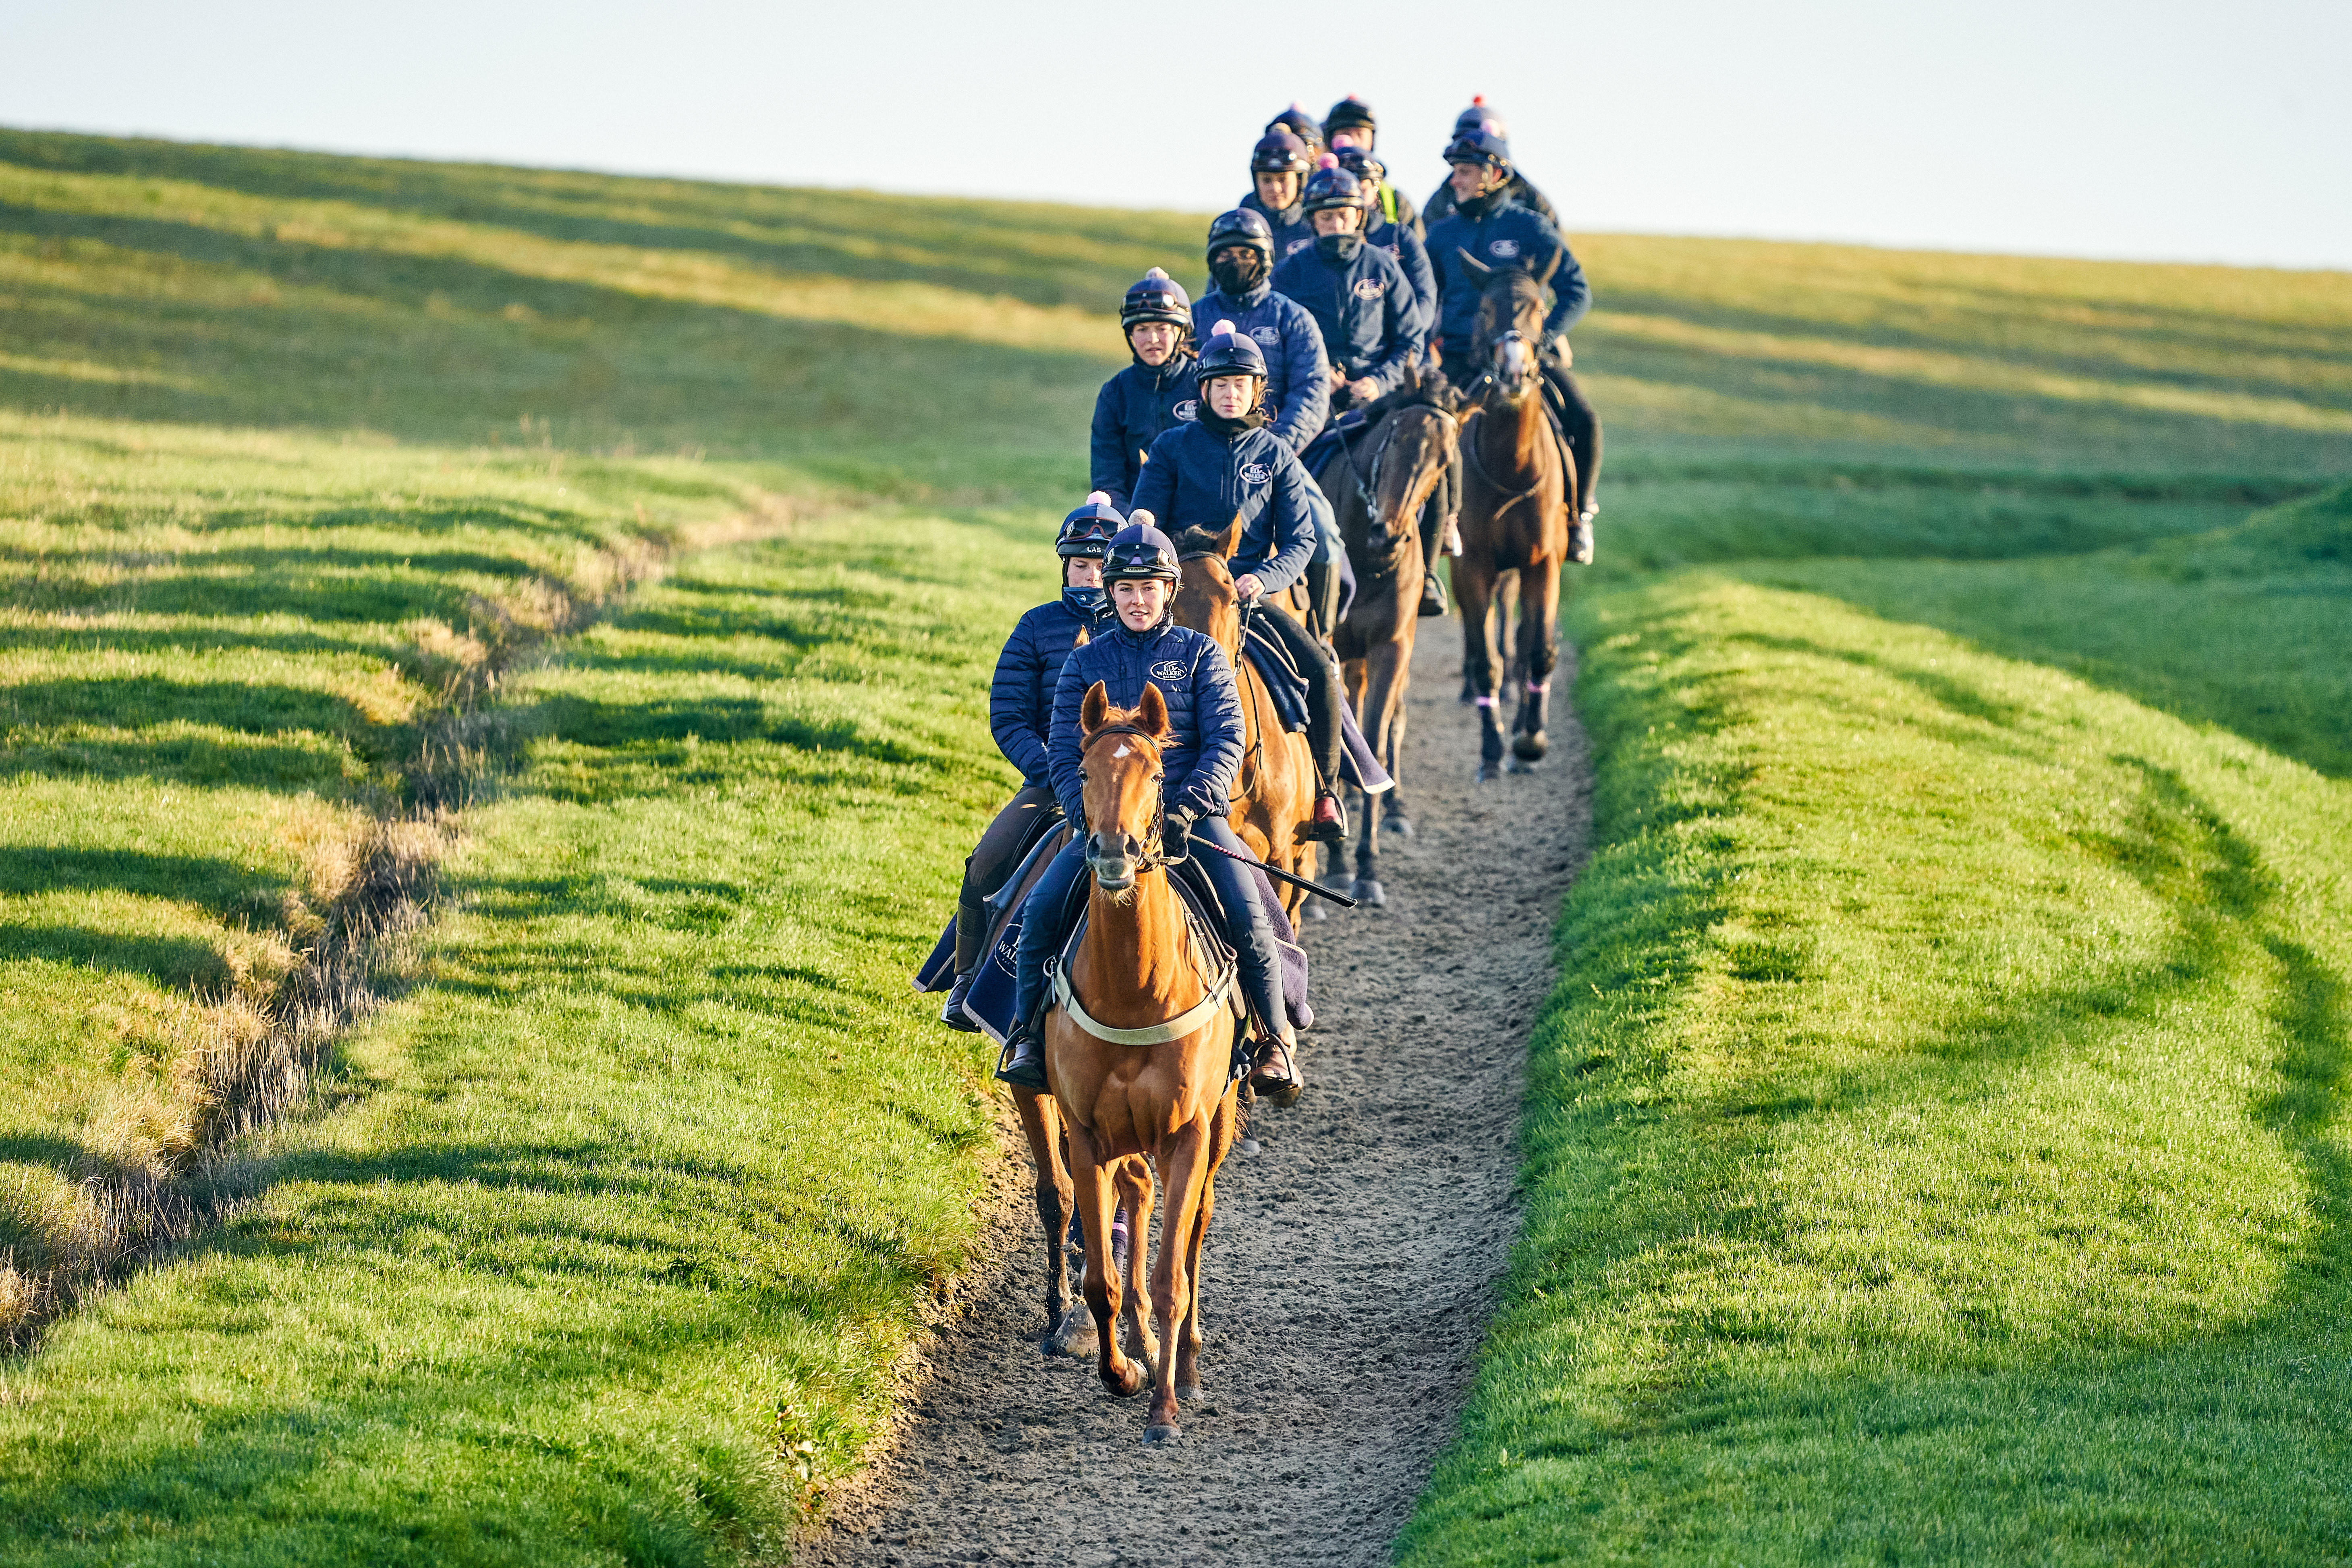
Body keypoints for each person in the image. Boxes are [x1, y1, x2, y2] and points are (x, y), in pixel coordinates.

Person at [993, 522, 1302, 1100]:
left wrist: (1187, 808)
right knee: (1039, 912)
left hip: (1191, 820)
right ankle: (1027, 1038)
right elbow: (1063, 751)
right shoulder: (1084, 663)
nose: (1138, 601)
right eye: (1127, 589)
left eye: (1149, 589)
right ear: (1111, 592)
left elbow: (1226, 740)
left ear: (1169, 591)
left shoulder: (1201, 655)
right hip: (1109, 823)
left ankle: (1273, 1040)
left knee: (1249, 911)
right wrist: (1085, 815)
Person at [1132, 322, 1349, 844]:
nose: (1231, 394)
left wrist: (1261, 579)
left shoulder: (1276, 454)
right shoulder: (1170, 448)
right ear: (1204, 390)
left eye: (1241, 385)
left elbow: (1301, 540)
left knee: (1322, 669)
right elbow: (1146, 521)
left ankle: (1324, 792)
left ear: (1257, 391)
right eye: (1221, 385)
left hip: (1247, 596)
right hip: (1175, 596)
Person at [942, 496, 1120, 1028]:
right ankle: (967, 978)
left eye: (1101, 566)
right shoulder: (1036, 626)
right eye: (1080, 565)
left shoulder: (1135, 630)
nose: (1091, 577)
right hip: (1050, 780)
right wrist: (1051, 770)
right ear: (1065, 566)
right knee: (986, 862)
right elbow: (1008, 715)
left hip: (1124, 785)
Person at [1426, 126, 1603, 541]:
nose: (1455, 181)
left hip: (1527, 360)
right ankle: (1432, 530)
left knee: (1585, 420)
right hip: (1460, 360)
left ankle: (1579, 517)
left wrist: (1541, 340)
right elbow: (1421, 299)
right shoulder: (1441, 235)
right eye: (1455, 171)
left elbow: (1577, 293)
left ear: (1496, 175)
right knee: (1419, 429)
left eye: (1466, 172)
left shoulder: (1533, 229)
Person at [1273, 159, 1423, 415]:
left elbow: (1410, 339)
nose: (1336, 226)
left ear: (1359, 216)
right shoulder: (1289, 273)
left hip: (1378, 397)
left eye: (1344, 216)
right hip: (1311, 394)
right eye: (1326, 217)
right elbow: (1276, 342)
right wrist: (1315, 371)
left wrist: (1380, 381)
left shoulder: (1383, 265)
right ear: (1312, 220)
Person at [1192, 207, 1330, 456]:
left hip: (1279, 453)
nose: (1236, 262)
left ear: (1264, 259)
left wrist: (1274, 448)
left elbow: (1311, 389)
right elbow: (1180, 390)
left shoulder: (1292, 318)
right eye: (1226, 254)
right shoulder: (1195, 318)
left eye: (1246, 254)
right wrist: (1197, 449)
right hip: (1203, 454)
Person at [1089, 268, 1200, 512]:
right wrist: (1131, 523)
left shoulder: (1205, 384)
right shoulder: (1115, 393)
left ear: (1181, 332)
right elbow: (1108, 477)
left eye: (1162, 328)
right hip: (1139, 517)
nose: (1152, 339)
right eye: (1142, 329)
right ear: (1130, 334)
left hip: (1197, 517)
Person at [1334, 146, 1435, 341]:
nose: (1355, 200)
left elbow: (1425, 296)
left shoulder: (1400, 237)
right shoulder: (1316, 245)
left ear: (1376, 188)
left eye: (1361, 190)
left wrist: (1407, 341)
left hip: (1398, 344)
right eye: (1346, 191)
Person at [1421, 97, 1560, 229]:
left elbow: (1553, 236)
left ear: (1496, 172)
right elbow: (1426, 237)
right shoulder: (1443, 199)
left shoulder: (1528, 200)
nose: (1456, 182)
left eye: (1480, 141)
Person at [1320, 95, 1420, 236]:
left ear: (1372, 141)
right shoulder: (1315, 192)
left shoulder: (1395, 200)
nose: (1354, 142)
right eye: (1345, 134)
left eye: (1360, 135)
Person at [1238, 127, 1316, 266]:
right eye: (1266, 180)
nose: (1275, 188)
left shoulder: (1319, 223)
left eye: (1283, 179)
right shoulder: (1241, 226)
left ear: (1300, 181)